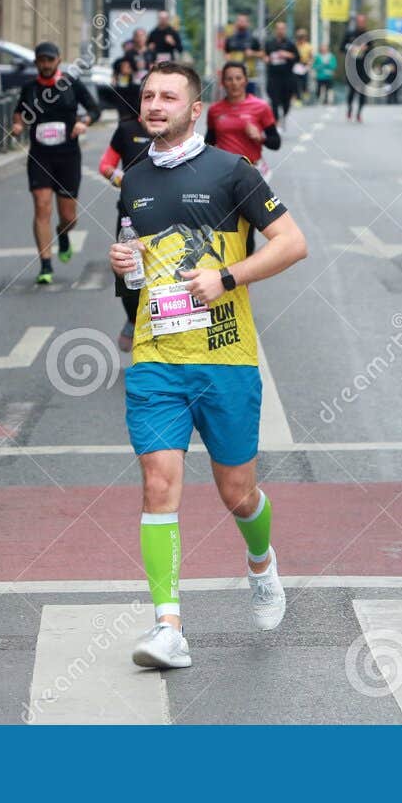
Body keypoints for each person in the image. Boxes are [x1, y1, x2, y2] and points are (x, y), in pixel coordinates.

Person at [108, 61, 309, 668]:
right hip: (158, 358)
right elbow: (140, 265)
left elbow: (292, 244)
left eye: (169, 95)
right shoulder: (134, 177)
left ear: (196, 109)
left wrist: (227, 276)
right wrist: (126, 265)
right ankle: (169, 626)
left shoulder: (232, 172)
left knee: (236, 491)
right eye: (148, 95)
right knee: (158, 483)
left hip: (225, 357)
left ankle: (261, 561)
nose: (155, 103)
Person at [10, 41, 99, 285]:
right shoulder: (29, 89)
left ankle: (63, 233)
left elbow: (95, 108)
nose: (46, 64)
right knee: (42, 206)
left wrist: (85, 121)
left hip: (68, 157)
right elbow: (19, 112)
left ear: (58, 60)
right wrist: (18, 124)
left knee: (69, 217)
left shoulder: (70, 85)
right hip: (40, 156)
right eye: (42, 60)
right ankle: (46, 265)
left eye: (50, 60)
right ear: (37, 62)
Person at [99, 80, 153, 351]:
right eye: (148, 98)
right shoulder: (126, 130)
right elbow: (106, 165)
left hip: (164, 215)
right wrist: (122, 179)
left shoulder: (170, 132)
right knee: (127, 269)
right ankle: (132, 318)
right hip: (129, 215)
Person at [206, 62, 281, 174]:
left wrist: (260, 138)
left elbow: (276, 143)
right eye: (229, 79)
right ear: (223, 83)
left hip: (253, 169)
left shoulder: (261, 107)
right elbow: (209, 142)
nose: (234, 83)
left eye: (238, 78)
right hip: (224, 171)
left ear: (245, 81)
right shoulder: (214, 110)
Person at [264, 21, 298, 127]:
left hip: (287, 76)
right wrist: (266, 58)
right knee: (274, 99)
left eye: (283, 28)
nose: (280, 31)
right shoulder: (269, 43)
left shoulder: (290, 43)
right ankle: (276, 121)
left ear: (285, 30)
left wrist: (287, 55)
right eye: (278, 28)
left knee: (286, 100)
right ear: (276, 30)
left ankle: (284, 114)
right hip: (273, 76)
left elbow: (297, 57)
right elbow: (264, 55)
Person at [343, 28, 373, 122]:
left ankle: (359, 113)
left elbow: (373, 50)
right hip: (352, 68)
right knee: (351, 91)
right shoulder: (349, 34)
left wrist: (366, 48)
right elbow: (342, 47)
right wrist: (351, 48)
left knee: (362, 92)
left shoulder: (368, 36)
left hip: (363, 68)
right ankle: (350, 109)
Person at [294, 29, 314, 105]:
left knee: (304, 82)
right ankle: (298, 99)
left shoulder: (308, 46)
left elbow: (311, 57)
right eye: (299, 37)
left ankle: (305, 92)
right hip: (296, 65)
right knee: (296, 83)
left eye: (302, 37)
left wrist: (309, 64)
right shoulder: (295, 45)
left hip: (305, 66)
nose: (300, 39)